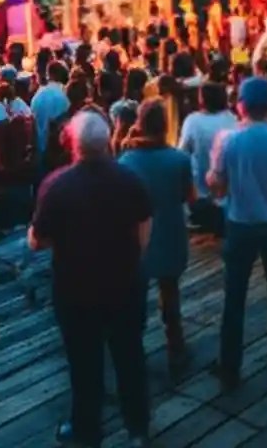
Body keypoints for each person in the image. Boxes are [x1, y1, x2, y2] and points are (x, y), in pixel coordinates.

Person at [30, 112, 152, 448]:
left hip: (76, 290)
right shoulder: (129, 178)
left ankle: (87, 430)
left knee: (84, 364)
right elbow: (143, 226)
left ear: (73, 143)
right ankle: (137, 428)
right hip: (124, 285)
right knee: (130, 357)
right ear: (107, 140)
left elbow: (38, 240)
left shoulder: (56, 185)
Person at [208, 76, 267, 390]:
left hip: (240, 224)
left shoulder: (229, 141)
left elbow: (217, 184)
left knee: (234, 298)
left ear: (242, 105)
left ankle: (229, 366)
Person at [119, 99, 194, 374]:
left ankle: (133, 350)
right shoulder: (179, 160)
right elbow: (190, 196)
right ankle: (176, 347)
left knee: (135, 295)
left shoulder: (126, 161)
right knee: (170, 293)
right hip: (171, 230)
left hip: (137, 236)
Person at [179, 82, 238, 236]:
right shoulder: (232, 119)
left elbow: (182, 154)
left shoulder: (192, 121)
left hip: (200, 196)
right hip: (229, 197)